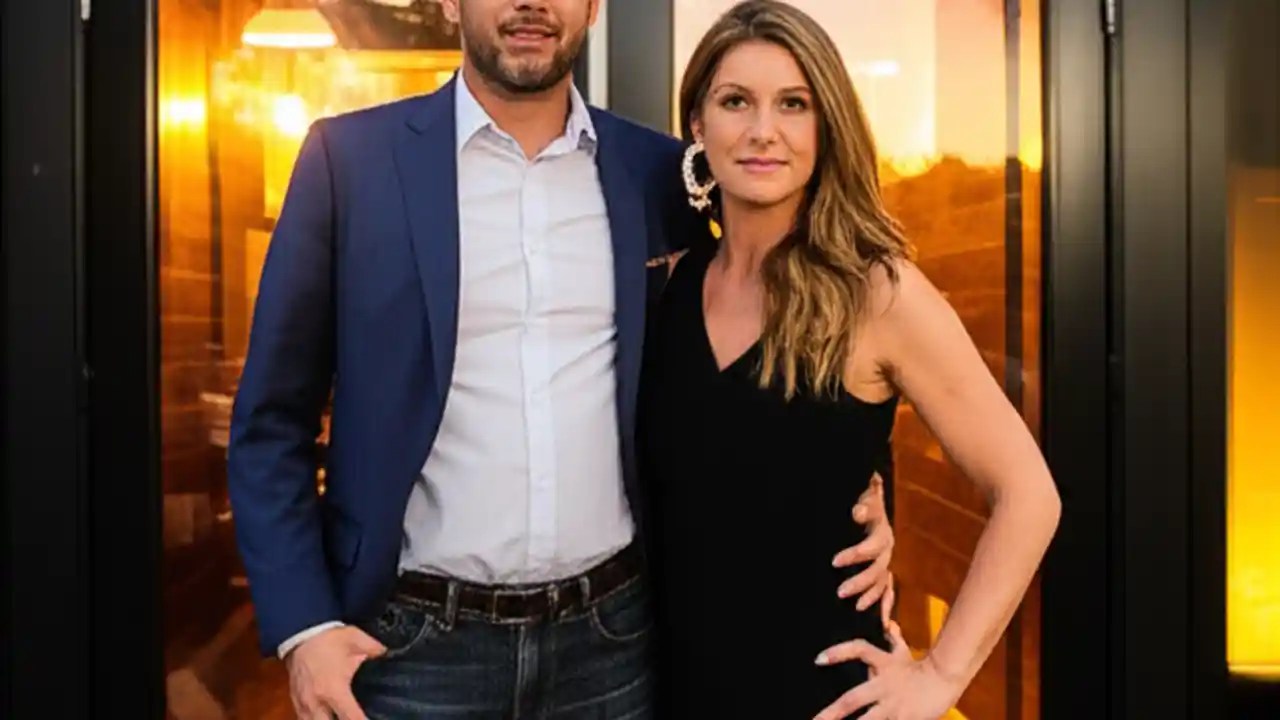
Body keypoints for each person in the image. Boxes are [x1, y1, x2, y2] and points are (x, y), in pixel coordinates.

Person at [226, 1, 896, 718]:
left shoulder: (660, 176)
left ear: (594, 8)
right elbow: (271, 423)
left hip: (612, 644)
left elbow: (774, 350)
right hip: (411, 649)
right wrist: (305, 628)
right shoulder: (349, 163)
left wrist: (863, 497)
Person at [641, 2, 1062, 718]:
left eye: (794, 104)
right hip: (670, 694)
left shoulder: (876, 294)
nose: (762, 130)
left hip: (824, 700)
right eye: (735, 100)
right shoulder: (669, 288)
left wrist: (939, 678)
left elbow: (1030, 496)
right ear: (698, 126)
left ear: (825, 125)